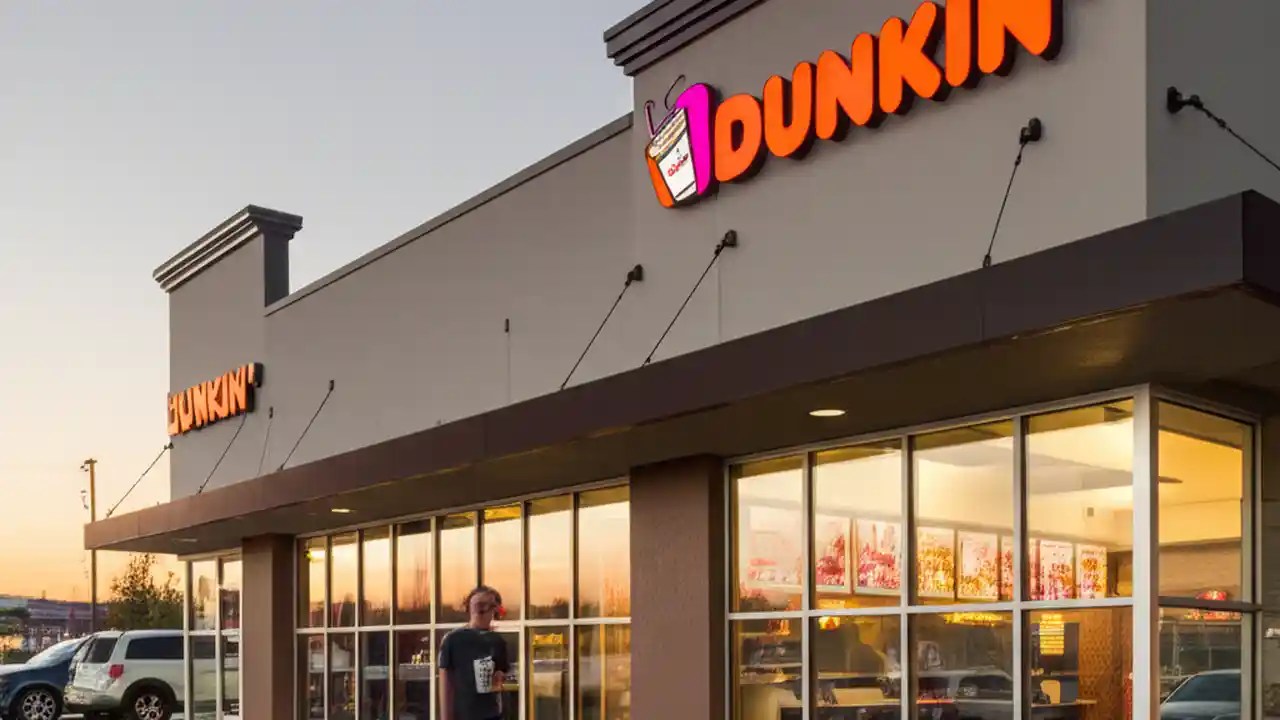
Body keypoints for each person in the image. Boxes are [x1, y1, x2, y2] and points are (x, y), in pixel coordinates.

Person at [439, 586, 510, 720]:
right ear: (469, 607)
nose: (481, 608)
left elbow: (501, 676)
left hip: (491, 715)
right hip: (463, 715)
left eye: (487, 604)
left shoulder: (497, 641)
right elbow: (445, 684)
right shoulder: (453, 639)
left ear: (494, 609)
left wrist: (499, 678)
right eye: (477, 604)